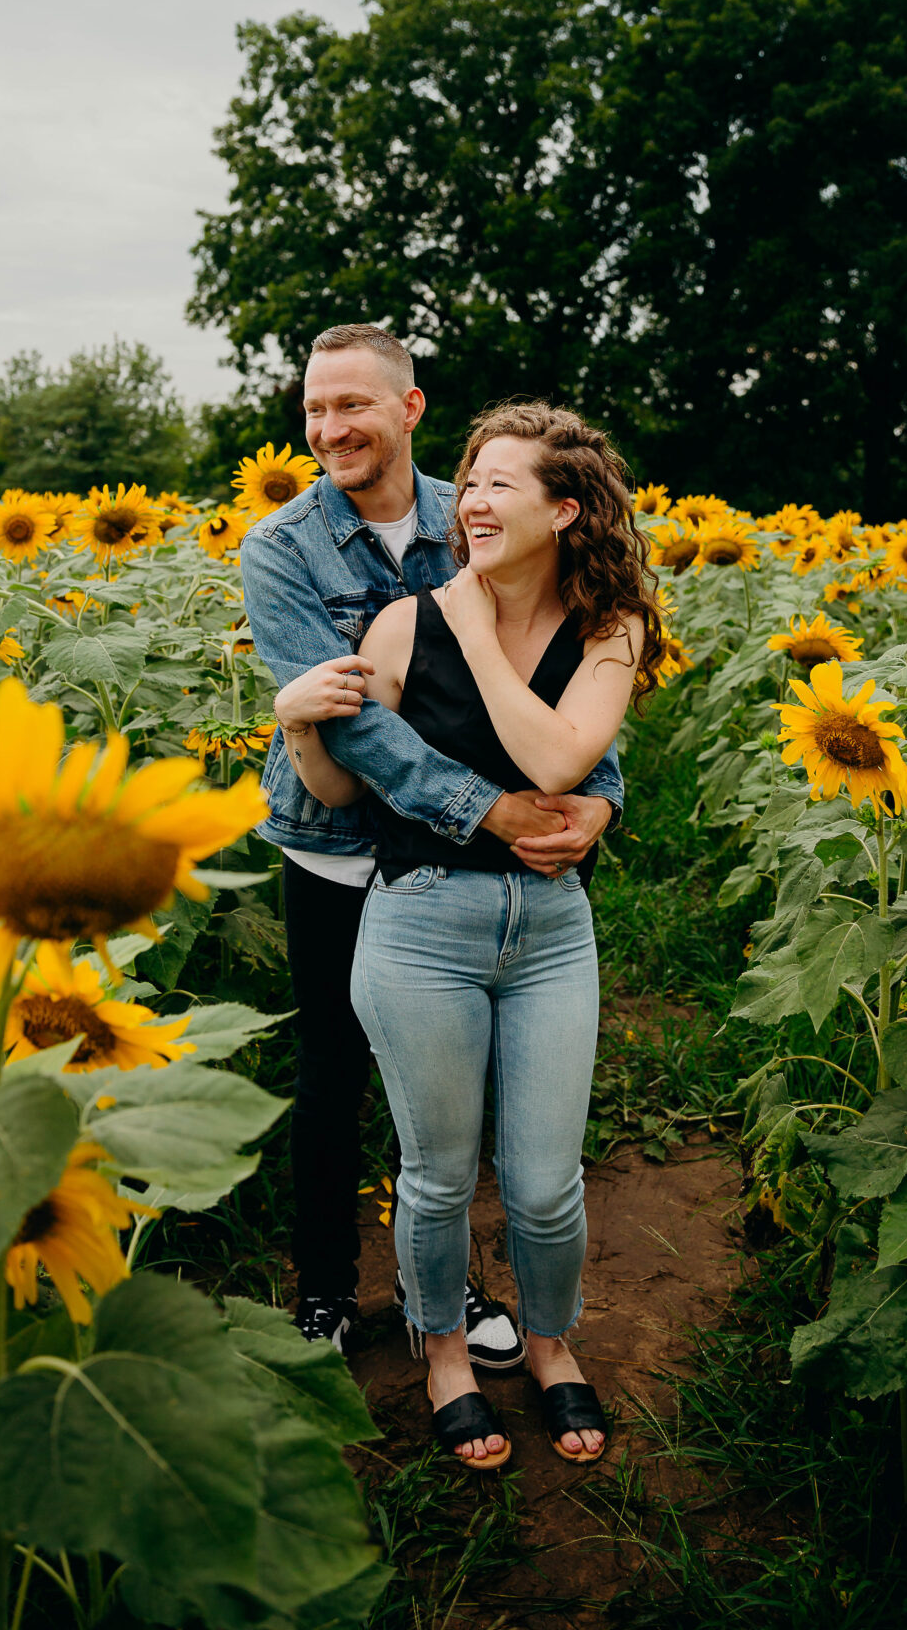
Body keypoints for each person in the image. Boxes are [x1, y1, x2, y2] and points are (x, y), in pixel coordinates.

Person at [274, 400, 664, 1470]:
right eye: (473, 478)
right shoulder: (403, 625)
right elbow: (342, 782)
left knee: (545, 1182)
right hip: (421, 923)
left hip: (549, 931)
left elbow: (559, 759)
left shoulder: (612, 627)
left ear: (567, 508)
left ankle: (549, 1337)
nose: (475, 499)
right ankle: (443, 1348)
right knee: (438, 1172)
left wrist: (483, 633)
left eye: (502, 482)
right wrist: (299, 720)